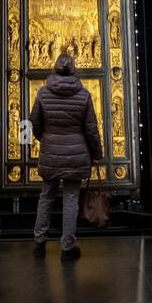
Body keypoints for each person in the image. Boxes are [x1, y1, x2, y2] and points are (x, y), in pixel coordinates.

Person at [30, 53, 103, 261]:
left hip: (51, 152)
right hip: (76, 153)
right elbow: (91, 130)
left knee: (46, 196)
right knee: (71, 199)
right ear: (73, 70)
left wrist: (45, 137)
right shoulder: (84, 95)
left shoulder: (43, 94)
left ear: (54, 69)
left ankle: (39, 243)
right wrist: (96, 153)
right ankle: (67, 247)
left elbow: (33, 123)